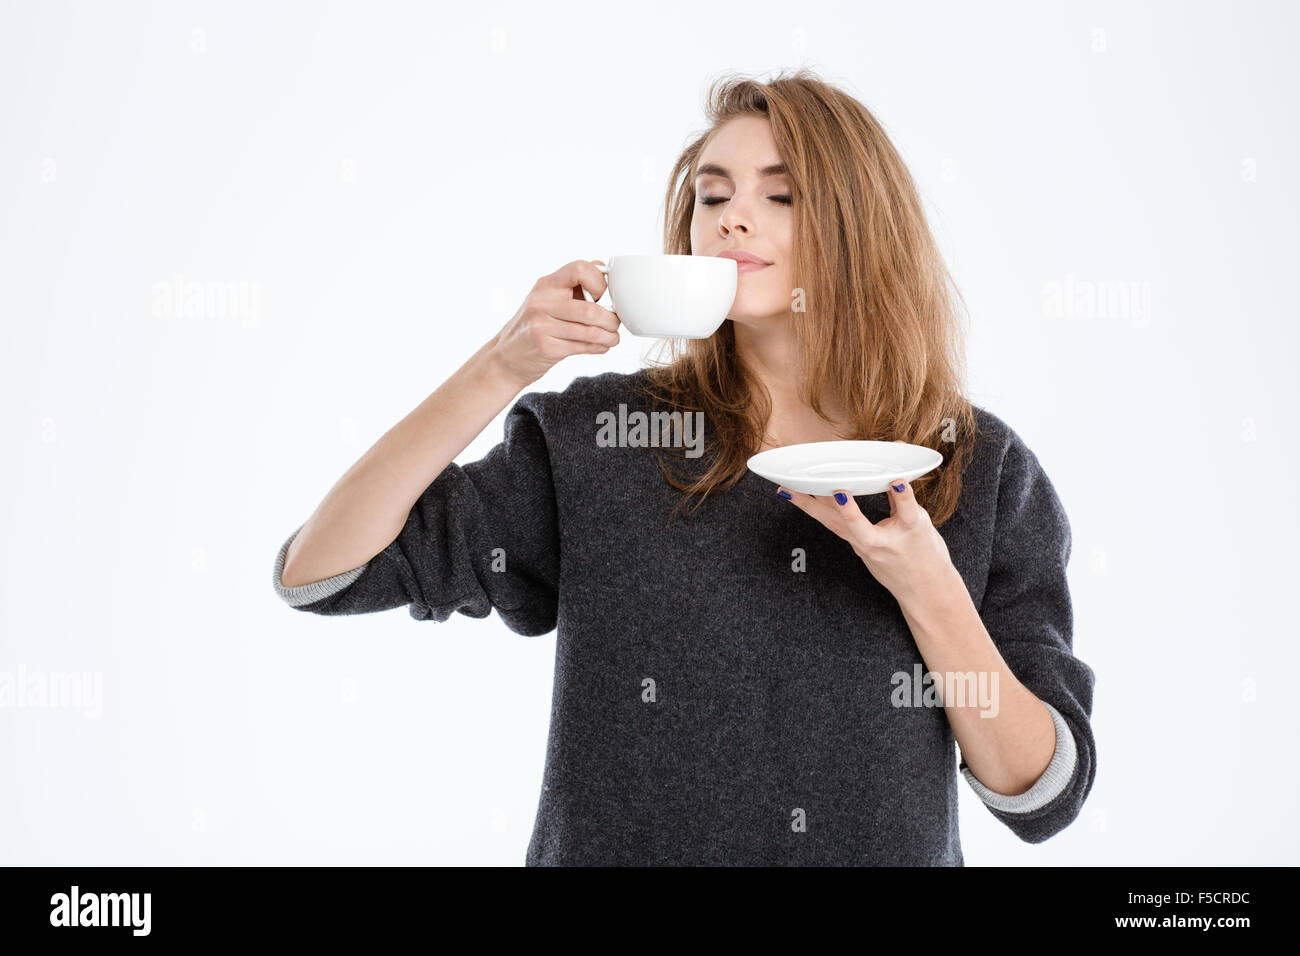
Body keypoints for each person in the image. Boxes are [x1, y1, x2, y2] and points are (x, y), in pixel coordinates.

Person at [272, 69, 1096, 866]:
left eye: (781, 195)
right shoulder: (603, 437)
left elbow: (1041, 793)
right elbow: (324, 572)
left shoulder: (974, 465)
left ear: (861, 226)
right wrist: (501, 365)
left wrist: (929, 588)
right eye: (713, 195)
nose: (733, 219)